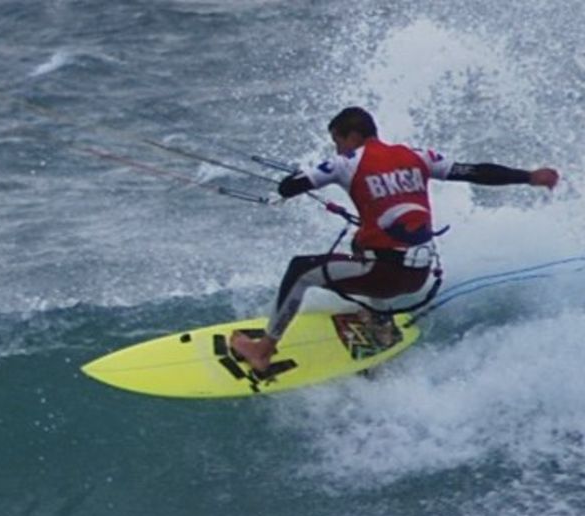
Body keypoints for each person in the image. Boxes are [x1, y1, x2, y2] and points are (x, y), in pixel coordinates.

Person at [230, 107, 560, 372]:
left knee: (301, 270)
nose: (337, 149)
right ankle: (379, 321)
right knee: (362, 239)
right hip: (418, 275)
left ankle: (263, 350)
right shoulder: (418, 156)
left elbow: (288, 187)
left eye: (338, 141)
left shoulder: (346, 162)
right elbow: (475, 171)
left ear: (353, 136)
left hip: (383, 276)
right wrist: (529, 176)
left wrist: (307, 175)